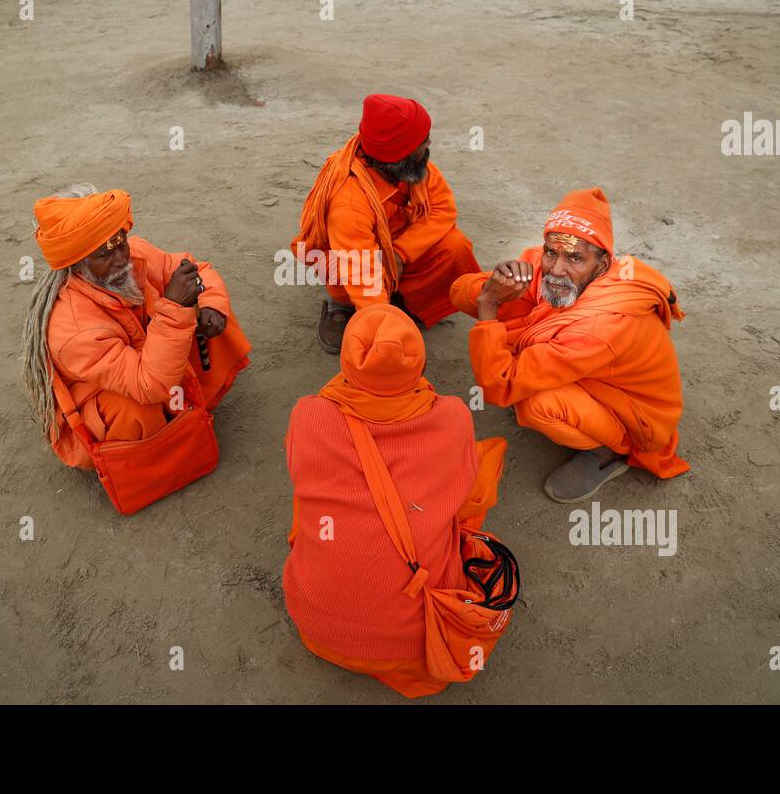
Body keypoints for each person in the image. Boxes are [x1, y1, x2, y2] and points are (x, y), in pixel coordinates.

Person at [282, 305, 509, 698]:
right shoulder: (453, 416)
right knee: (483, 469)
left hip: (316, 625)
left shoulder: (308, 414)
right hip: (414, 644)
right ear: (419, 359)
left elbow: (301, 476)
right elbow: (464, 495)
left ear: (348, 359)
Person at [450, 187, 689, 502]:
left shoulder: (600, 326)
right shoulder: (552, 264)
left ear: (603, 264)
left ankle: (608, 453)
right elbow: (458, 292)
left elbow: (499, 386)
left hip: (636, 418)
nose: (556, 269)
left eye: (575, 258)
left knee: (535, 404)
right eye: (551, 252)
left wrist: (490, 305)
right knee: (518, 301)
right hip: (592, 374)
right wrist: (494, 283)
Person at [22, 184, 250, 480]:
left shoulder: (134, 255)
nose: (120, 259)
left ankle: (191, 412)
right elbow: (149, 384)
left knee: (208, 310)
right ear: (76, 263)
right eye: (104, 253)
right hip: (128, 390)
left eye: (120, 242)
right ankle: (152, 453)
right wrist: (173, 308)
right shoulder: (73, 328)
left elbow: (199, 269)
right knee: (135, 411)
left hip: (150, 362)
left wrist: (209, 304)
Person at [291, 94, 480, 353]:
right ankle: (344, 306)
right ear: (400, 154)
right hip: (352, 263)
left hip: (392, 248)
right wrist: (384, 330)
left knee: (454, 245)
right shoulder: (349, 202)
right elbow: (360, 272)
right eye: (422, 140)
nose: (429, 143)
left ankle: (402, 301)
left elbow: (442, 210)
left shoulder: (412, 166)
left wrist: (400, 254)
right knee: (350, 279)